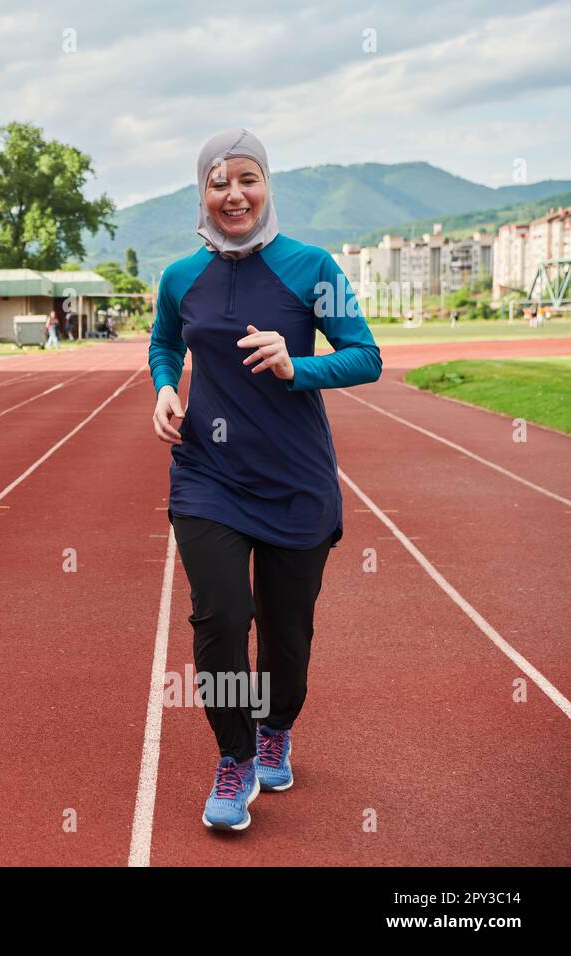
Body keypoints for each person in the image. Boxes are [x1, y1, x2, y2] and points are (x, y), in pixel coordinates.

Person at [147, 128, 382, 832]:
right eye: (218, 183)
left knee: (287, 633)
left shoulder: (311, 268)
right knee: (220, 618)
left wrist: (295, 365)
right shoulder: (180, 276)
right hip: (207, 476)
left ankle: (276, 724)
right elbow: (163, 341)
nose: (233, 194)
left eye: (245, 178)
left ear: (267, 184)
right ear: (203, 194)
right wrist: (164, 385)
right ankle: (235, 754)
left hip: (295, 482)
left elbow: (366, 356)